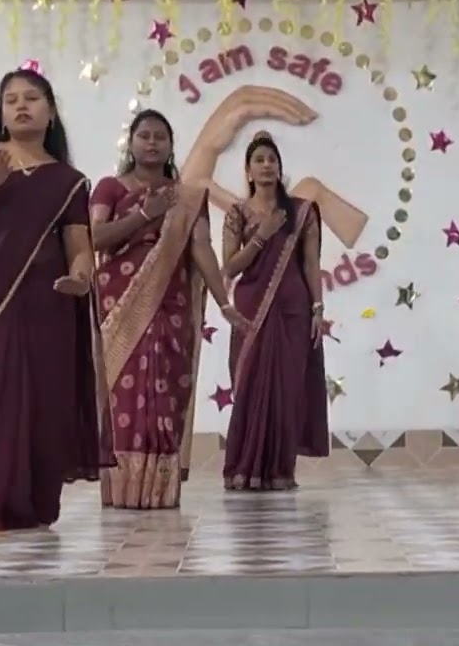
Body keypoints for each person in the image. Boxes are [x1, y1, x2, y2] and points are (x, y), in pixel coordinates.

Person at [0, 68, 104, 533]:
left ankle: (29, 504)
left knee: (43, 399)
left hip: (49, 300)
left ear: (50, 112)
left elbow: (78, 243)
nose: (21, 106)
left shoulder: (70, 180)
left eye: (32, 98)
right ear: (1, 111)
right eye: (10, 99)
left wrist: (81, 277)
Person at [89, 109, 249, 510]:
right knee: (121, 395)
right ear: (132, 143)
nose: (152, 142)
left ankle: (160, 489)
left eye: (161, 136)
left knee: (165, 389)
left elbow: (201, 249)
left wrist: (225, 301)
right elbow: (96, 237)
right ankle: (121, 488)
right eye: (144, 135)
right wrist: (146, 214)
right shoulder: (109, 188)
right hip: (120, 302)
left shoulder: (188, 196)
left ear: (171, 144)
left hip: (171, 305)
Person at [219, 130, 330, 490]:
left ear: (280, 168)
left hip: (294, 309)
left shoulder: (300, 212)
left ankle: (281, 470)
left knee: (287, 389)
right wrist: (262, 236)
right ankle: (244, 467)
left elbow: (311, 264)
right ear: (248, 170)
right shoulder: (237, 212)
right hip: (253, 307)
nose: (267, 165)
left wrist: (317, 307)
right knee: (250, 386)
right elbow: (230, 266)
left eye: (272, 160)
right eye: (259, 160)